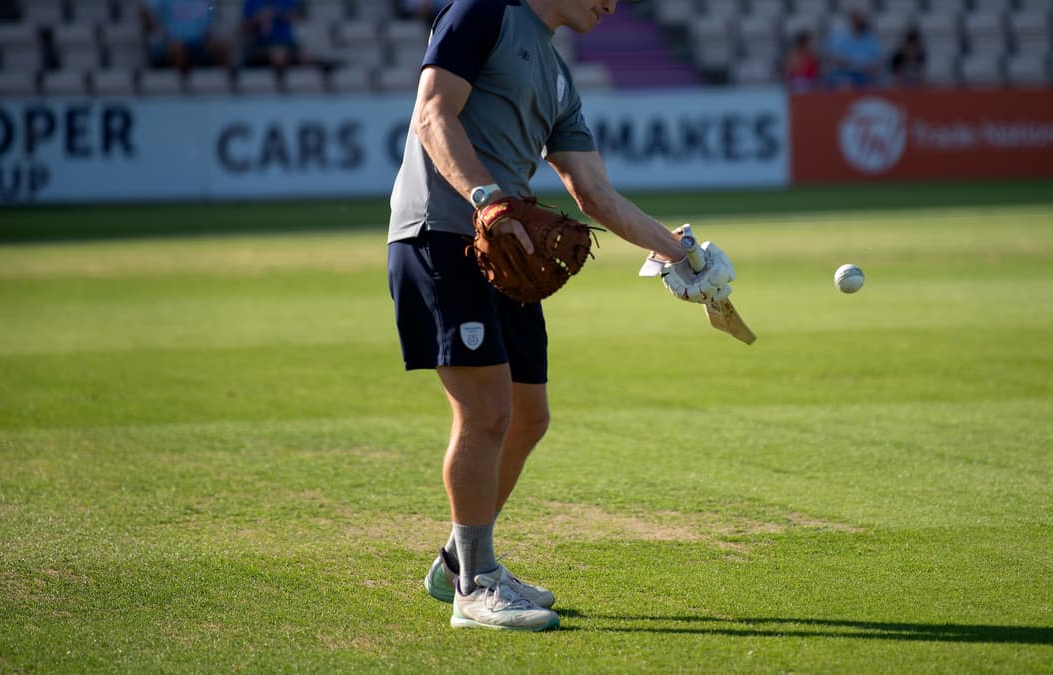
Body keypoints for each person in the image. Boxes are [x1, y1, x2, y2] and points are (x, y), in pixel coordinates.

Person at [386, 0, 733, 632]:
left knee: (528, 416)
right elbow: (432, 113)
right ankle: (475, 587)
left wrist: (680, 253)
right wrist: (489, 200)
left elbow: (594, 192)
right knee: (487, 412)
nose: (614, 5)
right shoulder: (481, 11)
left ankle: (456, 561)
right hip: (439, 235)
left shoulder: (558, 76)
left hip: (507, 246)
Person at [140, 0, 232, 73]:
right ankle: (179, 86)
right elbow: (145, 10)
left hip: (200, 43)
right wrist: (159, 31)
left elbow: (212, 11)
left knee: (224, 47)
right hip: (173, 43)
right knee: (178, 50)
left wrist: (210, 35)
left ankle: (225, 85)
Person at [824, 7, 884, 89]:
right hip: (845, 73)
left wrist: (864, 67)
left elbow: (877, 62)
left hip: (865, 75)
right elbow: (832, 58)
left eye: (860, 19)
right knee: (835, 81)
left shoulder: (872, 39)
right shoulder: (840, 37)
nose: (858, 22)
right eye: (856, 19)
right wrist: (849, 64)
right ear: (851, 21)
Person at [241, 0, 307, 73]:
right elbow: (244, 29)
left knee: (305, 57)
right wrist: (258, 19)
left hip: (287, 43)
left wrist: (277, 13)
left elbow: (298, 15)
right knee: (278, 56)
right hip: (261, 45)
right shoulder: (251, 2)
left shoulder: (287, 1)